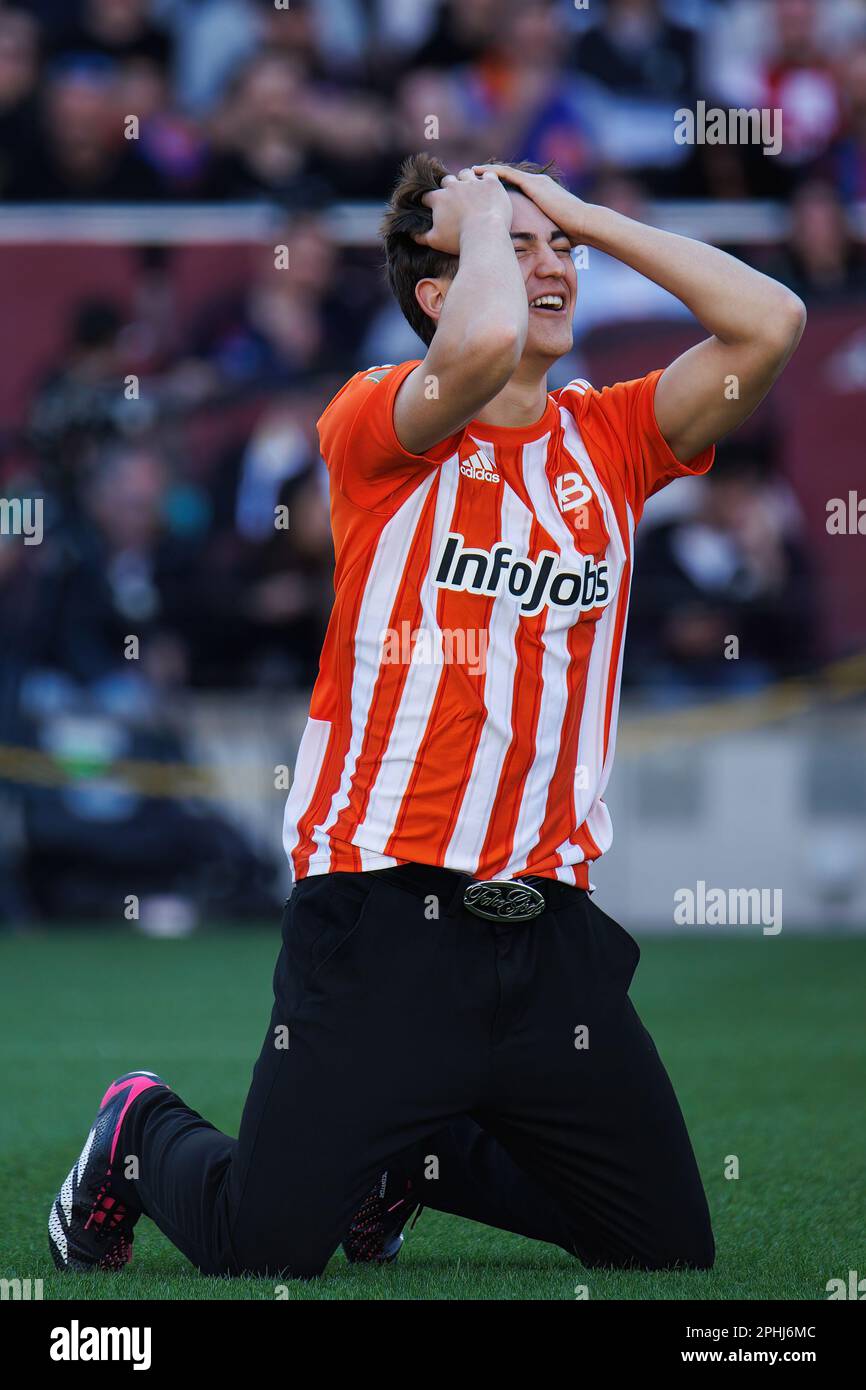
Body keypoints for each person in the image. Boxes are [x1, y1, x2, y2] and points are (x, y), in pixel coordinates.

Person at [49, 155, 805, 1278]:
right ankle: (137, 1128)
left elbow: (771, 321)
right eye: (513, 246)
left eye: (561, 251)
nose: (550, 265)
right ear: (437, 292)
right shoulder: (377, 417)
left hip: (547, 932)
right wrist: (490, 204)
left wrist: (586, 214)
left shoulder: (611, 437)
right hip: (382, 914)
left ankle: (414, 1153)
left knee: (662, 1248)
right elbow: (482, 350)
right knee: (264, 1245)